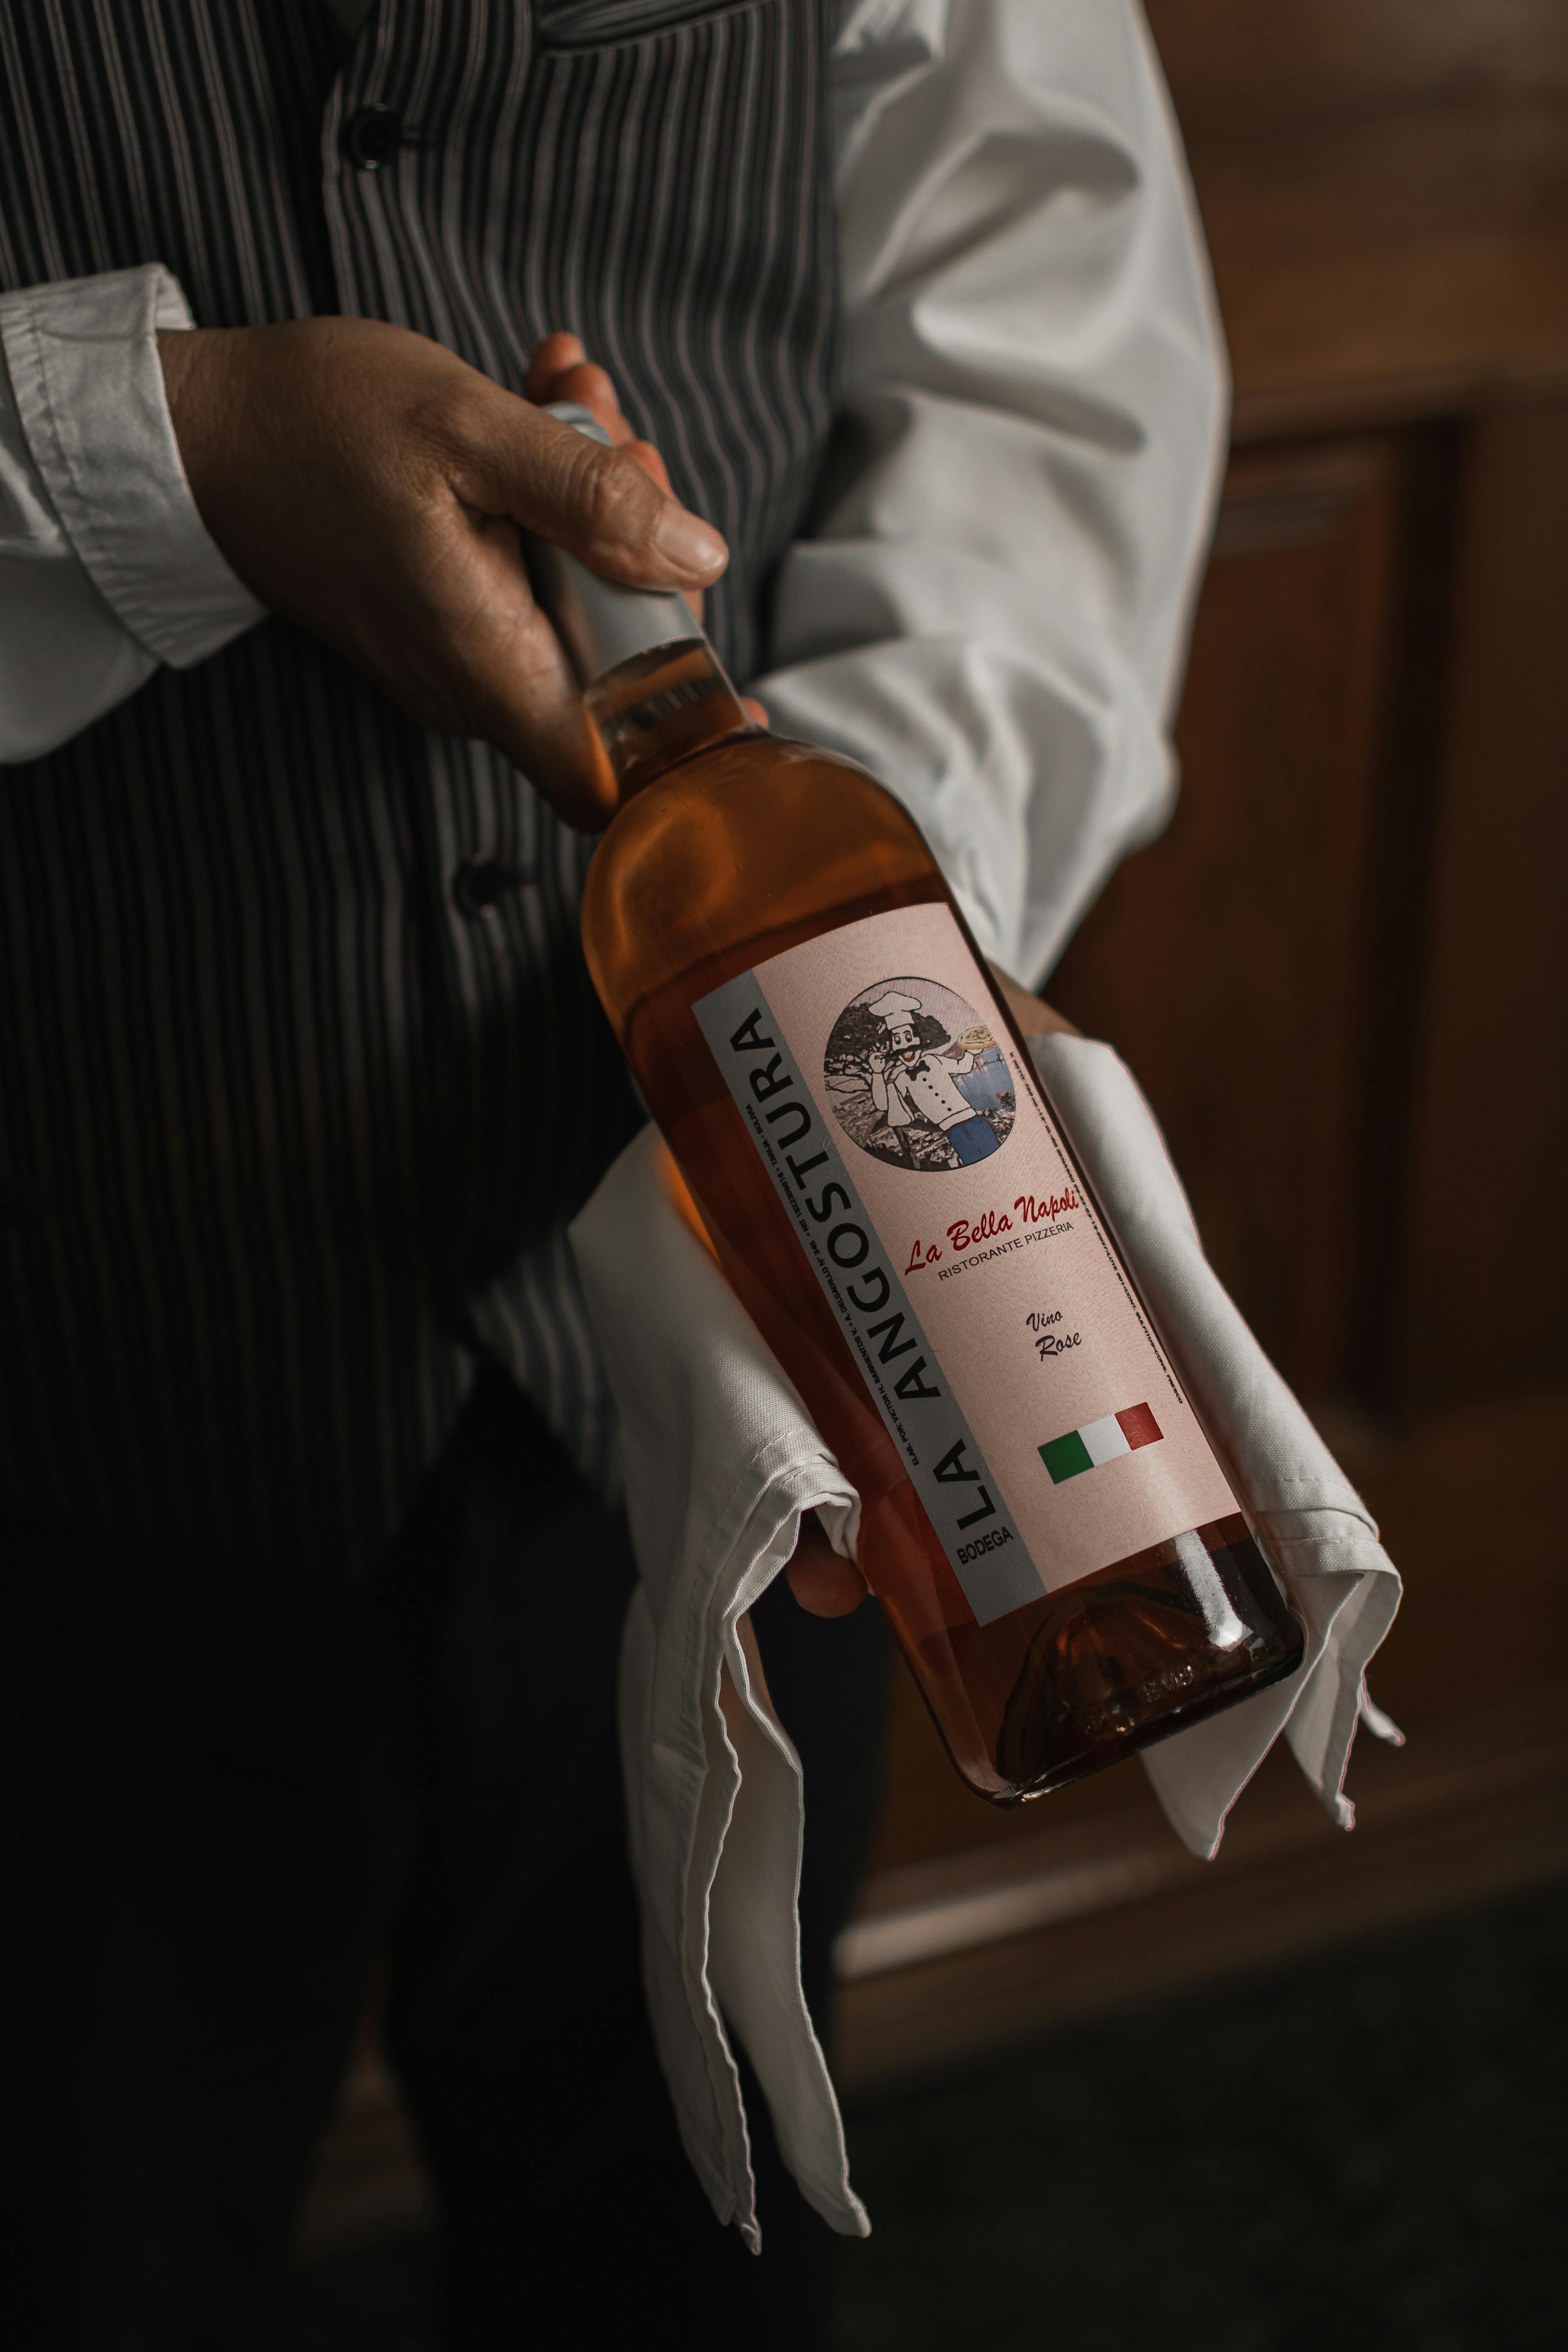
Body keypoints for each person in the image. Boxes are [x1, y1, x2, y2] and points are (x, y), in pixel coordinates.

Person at [0, 1, 1225, 2345]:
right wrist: (159, 449)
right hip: (75, 1376)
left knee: (690, 2243)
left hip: (719, 1431)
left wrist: (856, 958)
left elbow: (1039, 331)